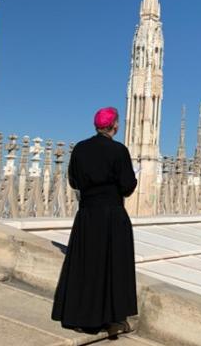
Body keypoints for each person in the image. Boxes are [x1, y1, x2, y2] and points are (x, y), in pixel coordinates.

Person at [52, 107, 138, 337]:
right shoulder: (119, 150)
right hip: (112, 216)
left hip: (87, 216)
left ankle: (79, 317)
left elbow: (73, 181)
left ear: (96, 125)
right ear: (115, 125)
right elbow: (127, 186)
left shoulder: (80, 148)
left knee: (86, 265)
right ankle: (113, 320)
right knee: (112, 267)